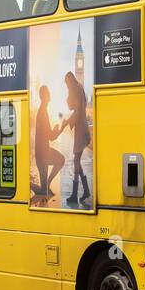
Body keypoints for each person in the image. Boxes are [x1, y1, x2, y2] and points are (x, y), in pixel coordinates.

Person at [59, 71, 91, 206]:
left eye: (66, 83)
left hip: (81, 130)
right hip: (82, 129)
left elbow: (74, 109)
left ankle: (74, 193)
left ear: (69, 81)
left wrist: (67, 122)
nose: (66, 86)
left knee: (76, 160)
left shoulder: (75, 89)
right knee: (77, 161)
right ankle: (86, 191)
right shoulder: (79, 88)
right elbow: (76, 108)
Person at [32, 85, 65, 199]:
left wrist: (57, 130)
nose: (50, 94)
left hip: (42, 153)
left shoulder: (43, 111)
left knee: (43, 190)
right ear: (45, 96)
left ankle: (45, 185)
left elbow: (49, 135)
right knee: (61, 160)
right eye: (48, 92)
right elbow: (51, 136)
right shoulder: (42, 113)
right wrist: (60, 129)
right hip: (43, 155)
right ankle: (27, 184)